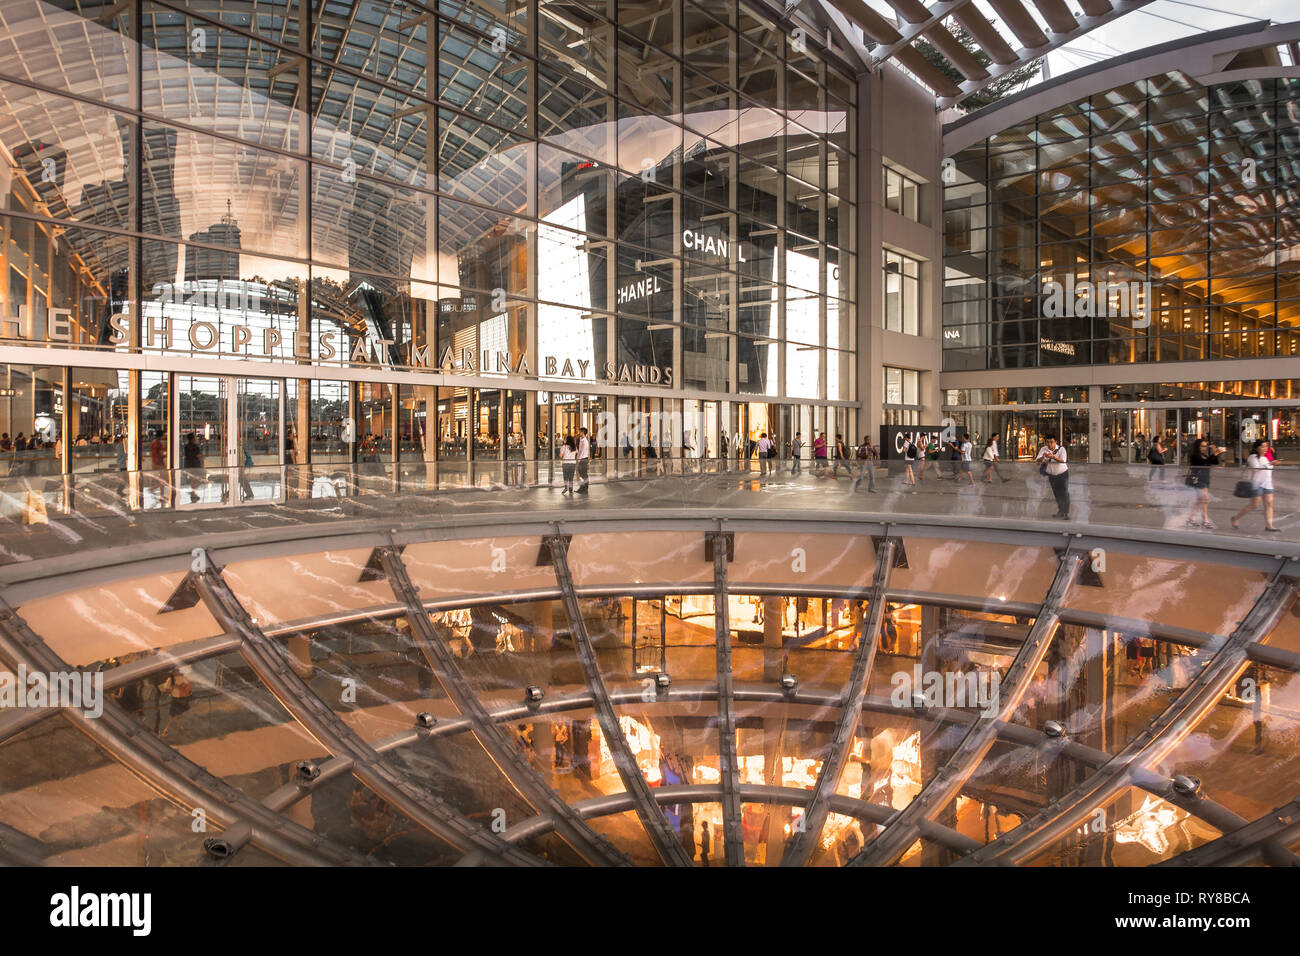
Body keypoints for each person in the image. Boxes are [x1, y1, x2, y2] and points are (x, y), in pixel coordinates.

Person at [1231, 439, 1278, 532]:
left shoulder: (1266, 458)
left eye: (1266, 446)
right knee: (1254, 505)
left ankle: (1269, 525)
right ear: (1257, 448)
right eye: (1263, 446)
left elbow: (1269, 470)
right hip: (1257, 484)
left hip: (1268, 484)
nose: (1265, 448)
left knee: (1269, 504)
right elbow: (1256, 468)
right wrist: (1270, 463)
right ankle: (1236, 518)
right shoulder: (1253, 457)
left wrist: (1273, 461)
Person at [1185, 438, 1222, 529]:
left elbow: (1215, 462)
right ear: (1198, 446)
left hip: (1205, 479)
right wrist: (1214, 453)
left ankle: (1192, 518)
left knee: (1201, 500)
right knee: (1204, 498)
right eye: (1203, 446)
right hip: (1198, 479)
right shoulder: (1194, 455)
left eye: (1206, 446)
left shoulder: (1204, 455)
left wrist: (1214, 452)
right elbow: (1203, 463)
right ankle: (1205, 519)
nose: (1205, 448)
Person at [1034, 434, 1070, 520]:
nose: (1049, 444)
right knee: (1057, 494)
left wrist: (1053, 456)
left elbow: (1063, 461)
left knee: (1064, 493)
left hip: (1062, 473)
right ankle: (1060, 511)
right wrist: (1043, 457)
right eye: (1048, 442)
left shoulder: (1061, 449)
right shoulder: (1043, 449)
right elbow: (1037, 461)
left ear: (1056, 442)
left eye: (1051, 442)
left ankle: (1066, 512)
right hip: (1052, 475)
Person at [182, 432, 204, 503]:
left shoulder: (186, 446)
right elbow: (198, 455)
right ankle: (193, 492)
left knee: (192, 479)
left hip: (189, 465)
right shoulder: (195, 446)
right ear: (193, 439)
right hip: (195, 465)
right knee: (198, 479)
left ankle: (193, 492)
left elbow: (185, 455)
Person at [576, 426, 590, 494]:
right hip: (581, 459)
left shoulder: (585, 442)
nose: (579, 433)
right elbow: (580, 451)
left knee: (584, 474)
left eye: (580, 432)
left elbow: (583, 451)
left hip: (583, 459)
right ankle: (582, 487)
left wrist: (579, 458)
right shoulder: (581, 440)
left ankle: (585, 488)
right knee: (581, 474)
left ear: (583, 432)